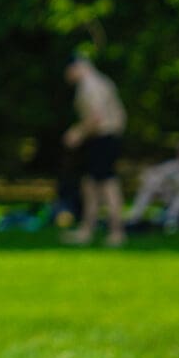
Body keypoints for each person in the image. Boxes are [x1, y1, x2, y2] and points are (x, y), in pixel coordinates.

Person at [59, 53, 129, 247]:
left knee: (107, 183)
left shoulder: (90, 84)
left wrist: (77, 133)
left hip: (104, 137)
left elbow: (97, 117)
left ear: (75, 67)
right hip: (103, 137)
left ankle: (117, 232)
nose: (68, 78)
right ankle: (86, 230)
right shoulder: (100, 81)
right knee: (90, 184)